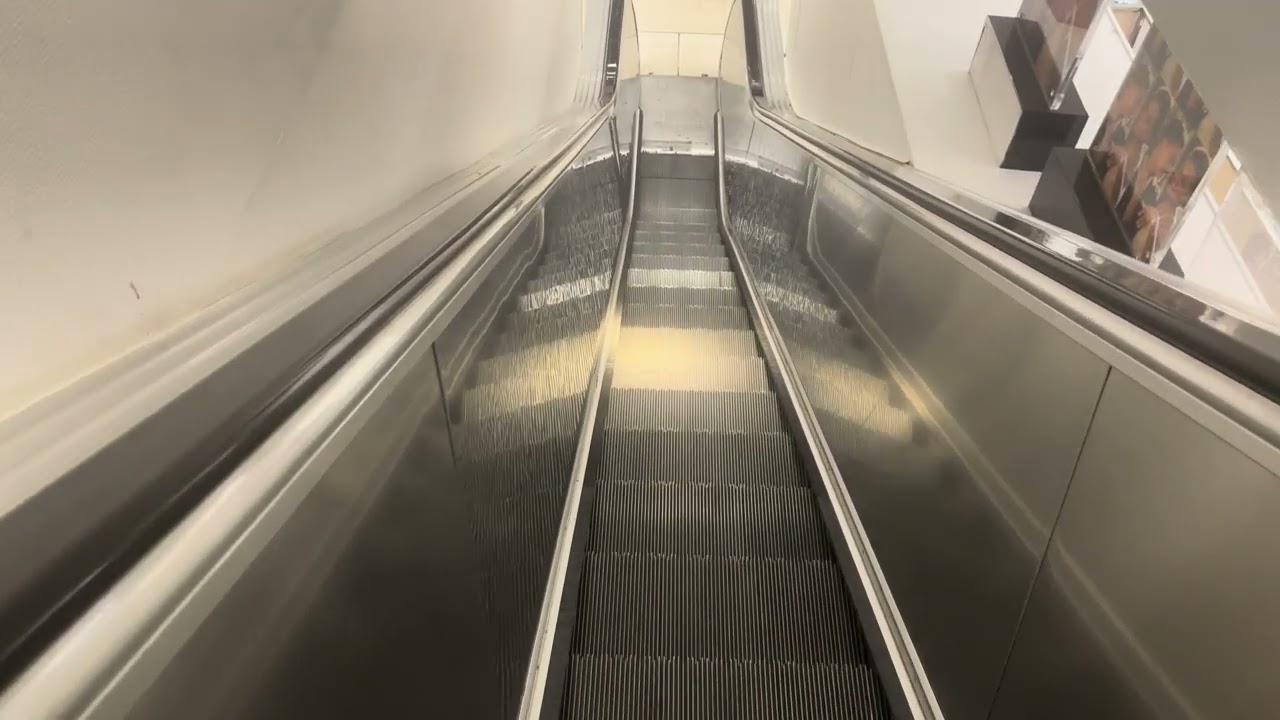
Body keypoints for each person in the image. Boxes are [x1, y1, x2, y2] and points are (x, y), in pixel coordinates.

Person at [1132, 146, 1212, 263]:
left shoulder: (1168, 221)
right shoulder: (1155, 188)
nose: (1176, 179)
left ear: (1188, 197)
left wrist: (1151, 225)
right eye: (1179, 170)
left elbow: (1138, 251)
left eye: (1184, 182)